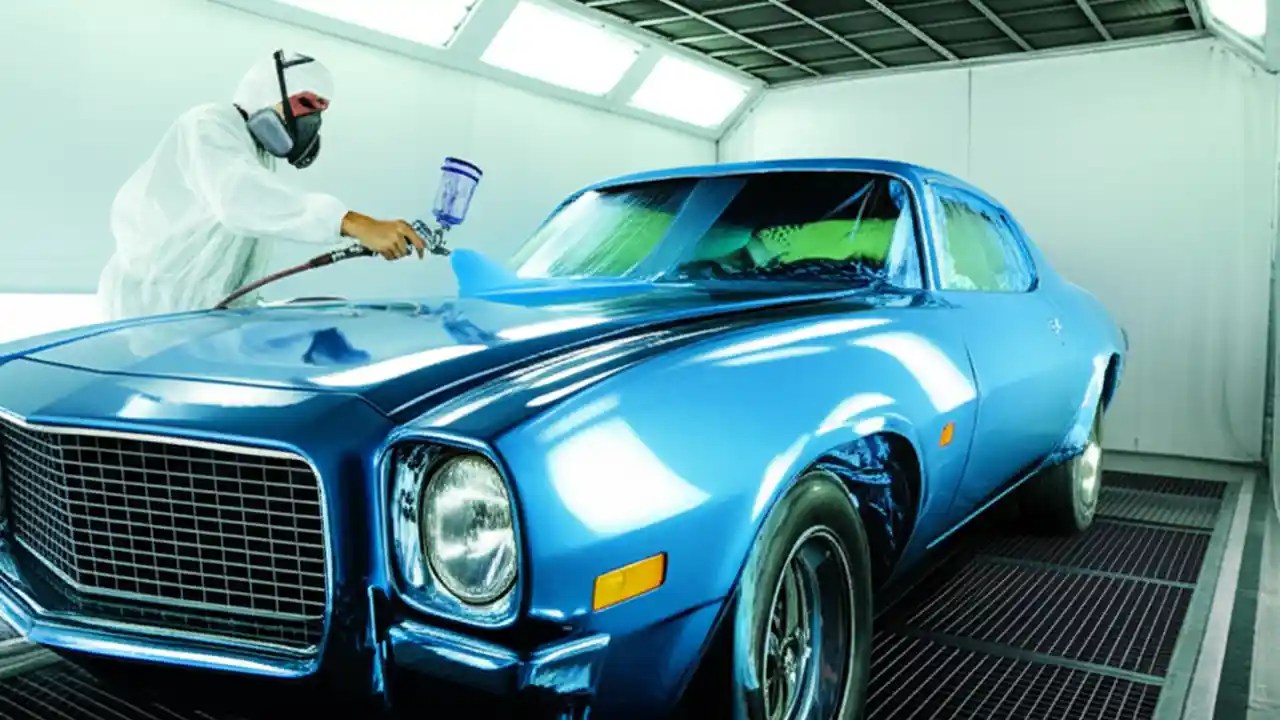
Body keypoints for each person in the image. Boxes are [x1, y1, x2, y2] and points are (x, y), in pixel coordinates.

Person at [98, 49, 426, 320]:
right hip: (152, 309)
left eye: (321, 110)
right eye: (306, 103)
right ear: (269, 91)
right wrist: (351, 223)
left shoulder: (256, 152)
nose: (311, 120)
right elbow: (238, 199)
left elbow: (244, 240)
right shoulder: (209, 123)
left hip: (205, 313)